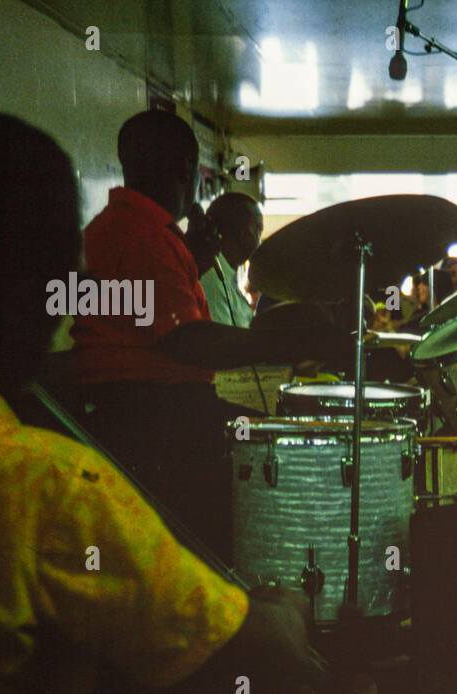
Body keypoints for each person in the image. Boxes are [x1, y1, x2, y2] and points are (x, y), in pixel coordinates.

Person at [0, 114, 336, 694]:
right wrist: (286, 606)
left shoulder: (136, 236)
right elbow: (262, 654)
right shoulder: (41, 484)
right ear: (49, 284)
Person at [71, 111, 352, 563]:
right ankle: (237, 592)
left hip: (115, 407)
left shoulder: (105, 228)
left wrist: (195, 263)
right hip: (157, 416)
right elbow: (188, 342)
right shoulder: (148, 238)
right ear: (186, 169)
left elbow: (136, 318)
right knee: (283, 454)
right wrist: (299, 342)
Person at [200, 192, 263, 329]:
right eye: (258, 230)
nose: (260, 240)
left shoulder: (226, 276)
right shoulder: (213, 282)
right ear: (244, 235)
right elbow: (223, 346)